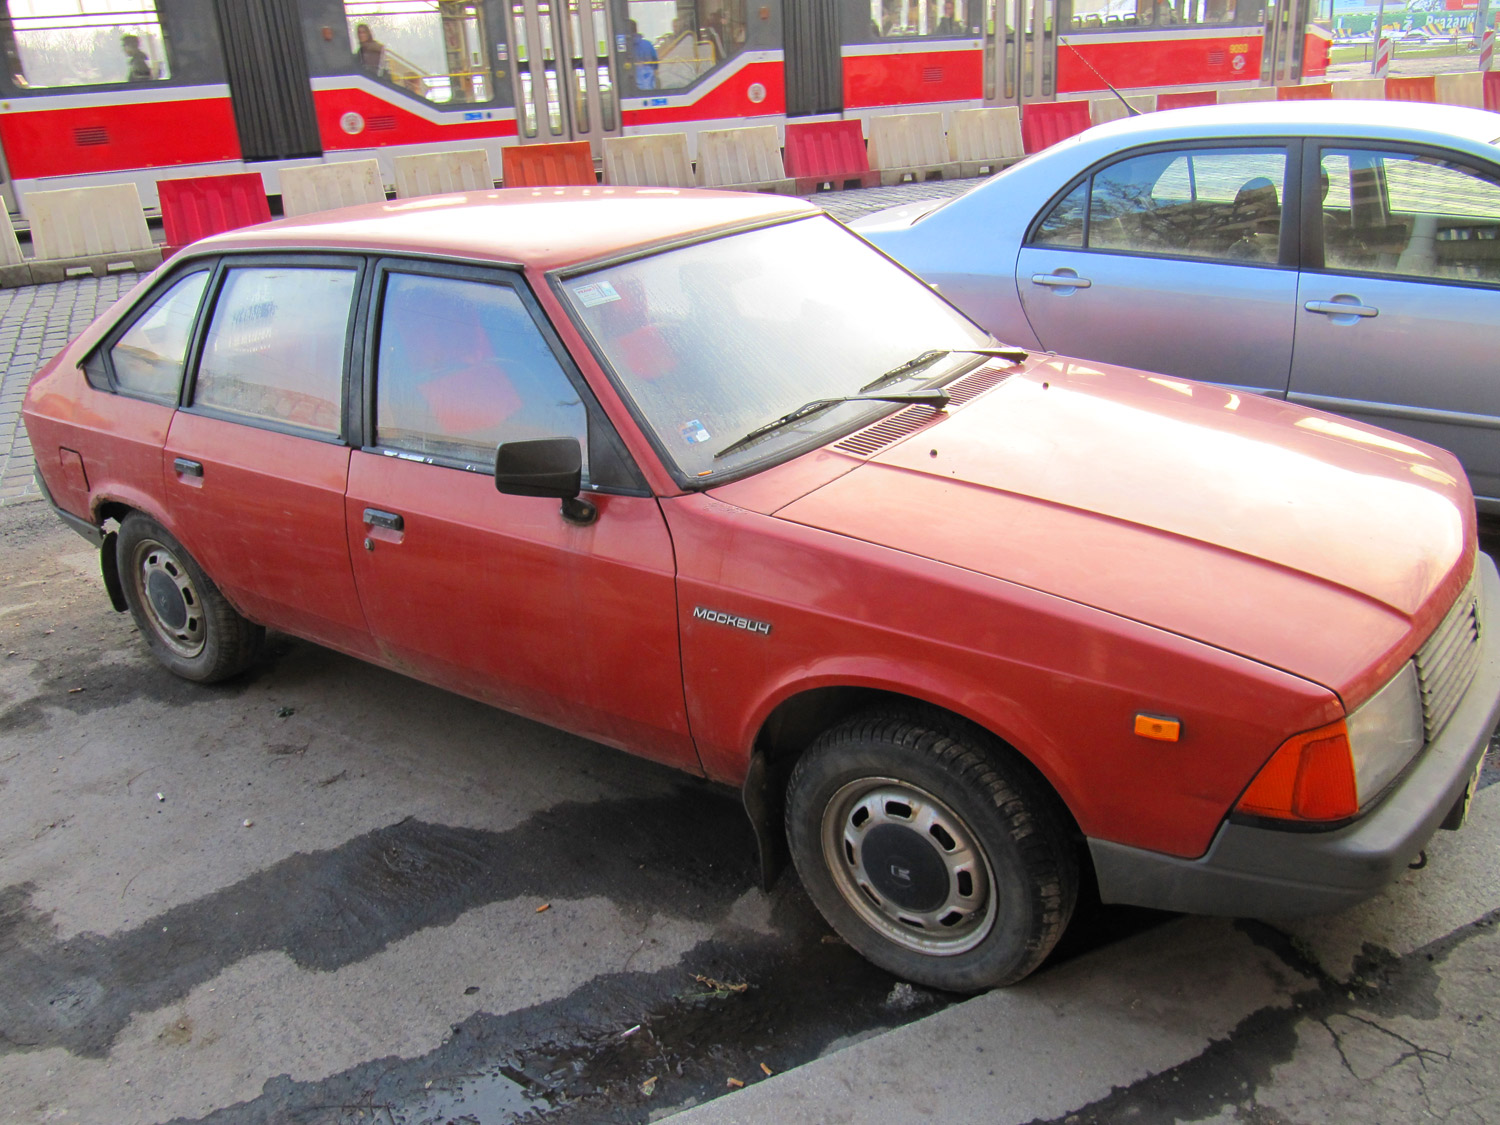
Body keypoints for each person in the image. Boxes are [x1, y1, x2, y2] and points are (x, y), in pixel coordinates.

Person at [626, 19, 657, 90]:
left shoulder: (624, 47)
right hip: (649, 82)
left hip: (630, 84)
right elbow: (655, 63)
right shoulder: (648, 44)